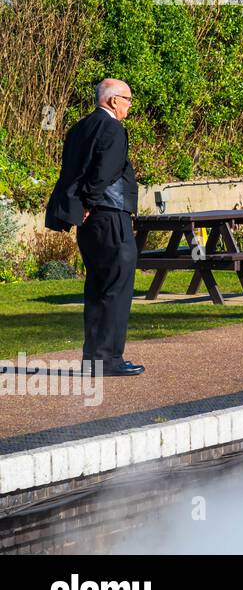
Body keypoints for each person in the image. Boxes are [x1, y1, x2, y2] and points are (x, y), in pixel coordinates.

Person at [44, 79, 143, 377]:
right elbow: (106, 170)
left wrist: (82, 207)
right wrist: (89, 201)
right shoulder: (112, 128)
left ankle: (94, 359)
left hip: (89, 223)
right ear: (113, 101)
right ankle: (109, 359)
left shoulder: (80, 128)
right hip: (110, 215)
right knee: (117, 287)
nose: (129, 105)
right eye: (127, 99)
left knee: (98, 287)